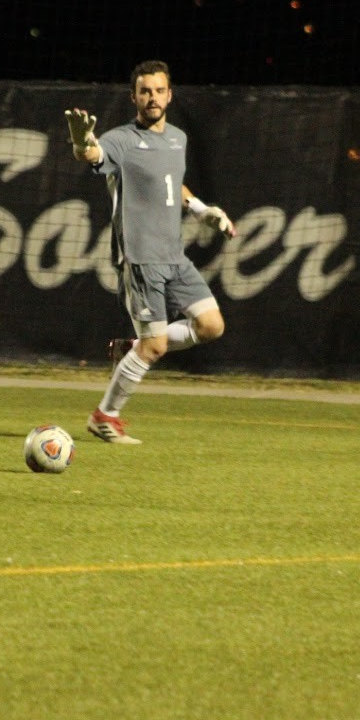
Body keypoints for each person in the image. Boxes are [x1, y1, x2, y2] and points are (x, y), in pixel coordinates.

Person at [65, 60, 236, 444]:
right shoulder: (121, 140)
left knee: (212, 325)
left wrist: (202, 211)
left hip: (174, 255)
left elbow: (174, 184)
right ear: (134, 97)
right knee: (156, 345)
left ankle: (133, 348)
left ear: (169, 95)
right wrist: (82, 143)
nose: (152, 98)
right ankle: (104, 417)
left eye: (159, 91)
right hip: (140, 257)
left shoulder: (177, 138)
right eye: (145, 91)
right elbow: (92, 156)